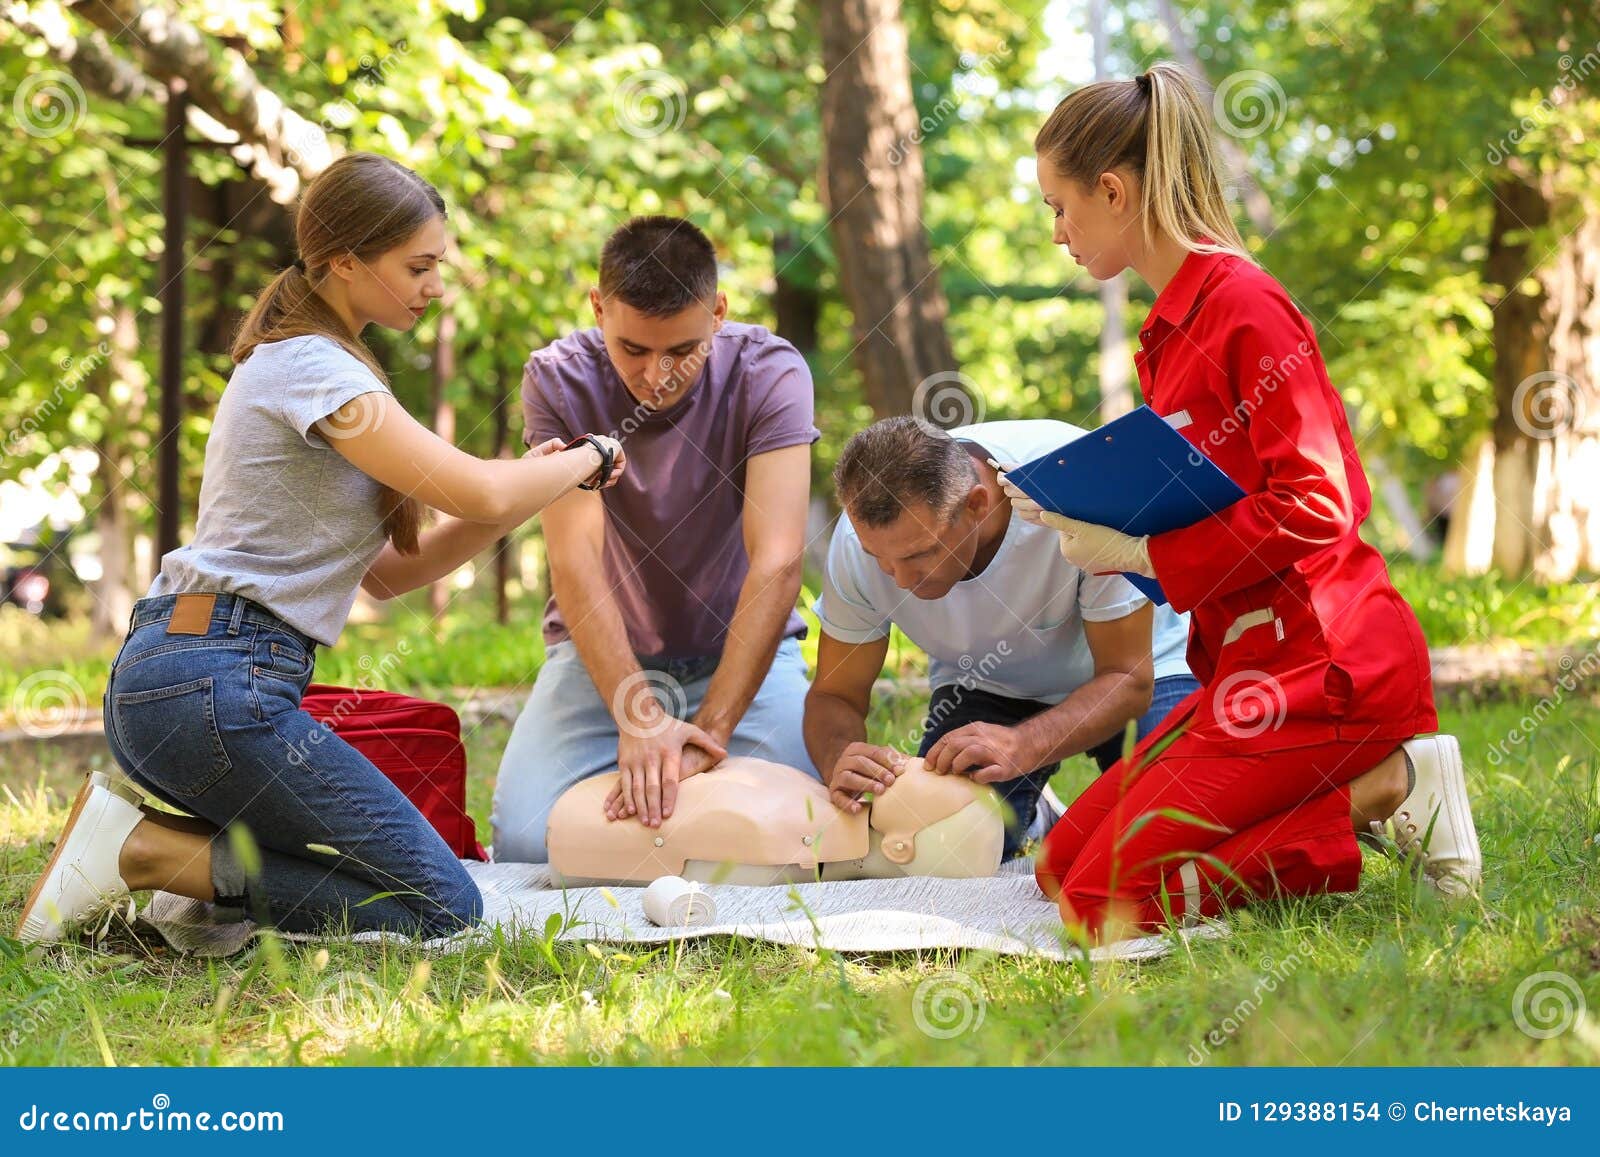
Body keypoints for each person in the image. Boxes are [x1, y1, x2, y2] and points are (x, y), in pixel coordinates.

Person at [17, 153, 627, 945]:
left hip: (189, 680)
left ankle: (156, 853)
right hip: (213, 685)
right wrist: (593, 457)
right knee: (443, 903)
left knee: (398, 881)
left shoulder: (315, 365)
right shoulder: (315, 367)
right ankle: (146, 852)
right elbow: (479, 488)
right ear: (345, 261)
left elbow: (392, 573)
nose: (435, 286)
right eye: (419, 265)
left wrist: (534, 485)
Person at [1008, 63, 1480, 941]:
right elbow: (1222, 505)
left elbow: (1323, 501)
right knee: (1057, 864)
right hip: (1246, 669)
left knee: (1100, 905)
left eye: (1059, 206)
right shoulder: (1167, 329)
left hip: (1326, 666)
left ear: (1112, 190)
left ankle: (1388, 788)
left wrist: (1147, 555)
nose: (1059, 232)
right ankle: (1355, 797)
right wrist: (1108, 528)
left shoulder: (1244, 305)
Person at [491, 216, 819, 863]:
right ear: (597, 308)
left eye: (682, 350)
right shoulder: (557, 378)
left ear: (719, 312)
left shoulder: (772, 372)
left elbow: (778, 562)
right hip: (600, 661)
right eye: (634, 350)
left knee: (804, 826)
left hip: (745, 656)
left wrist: (713, 729)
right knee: (528, 844)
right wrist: (639, 714)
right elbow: (575, 561)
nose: (658, 374)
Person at [805, 416, 1200, 860]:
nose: (898, 580)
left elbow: (1128, 679)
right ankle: (1034, 819)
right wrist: (839, 756)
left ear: (976, 504)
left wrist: (1025, 744)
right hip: (986, 684)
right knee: (936, 849)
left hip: (1141, 675)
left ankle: (1069, 818)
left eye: (920, 554)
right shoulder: (856, 541)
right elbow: (834, 695)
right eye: (878, 557)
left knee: (1169, 843)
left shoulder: (1079, 483)